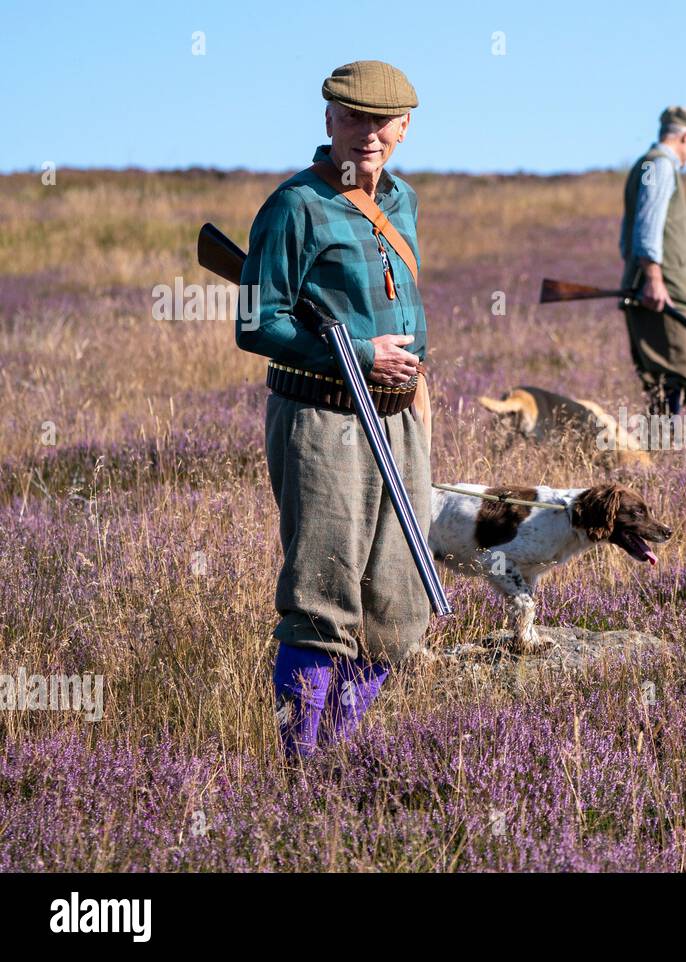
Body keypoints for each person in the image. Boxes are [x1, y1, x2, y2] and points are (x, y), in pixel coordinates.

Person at [235, 60, 432, 759]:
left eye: (383, 123)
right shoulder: (295, 206)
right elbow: (256, 323)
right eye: (353, 118)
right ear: (328, 121)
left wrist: (403, 384)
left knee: (400, 607)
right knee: (321, 597)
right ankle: (299, 766)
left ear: (405, 128)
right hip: (323, 419)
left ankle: (339, 753)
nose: (368, 134)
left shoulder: (402, 201)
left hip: (402, 418)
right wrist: (352, 350)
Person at [618, 106, 686, 416]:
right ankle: (664, 454)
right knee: (677, 377)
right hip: (662, 294)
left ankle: (658, 455)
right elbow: (647, 228)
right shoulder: (660, 167)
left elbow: (626, 237)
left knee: (662, 380)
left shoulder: (644, 166)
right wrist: (655, 280)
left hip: (651, 290)